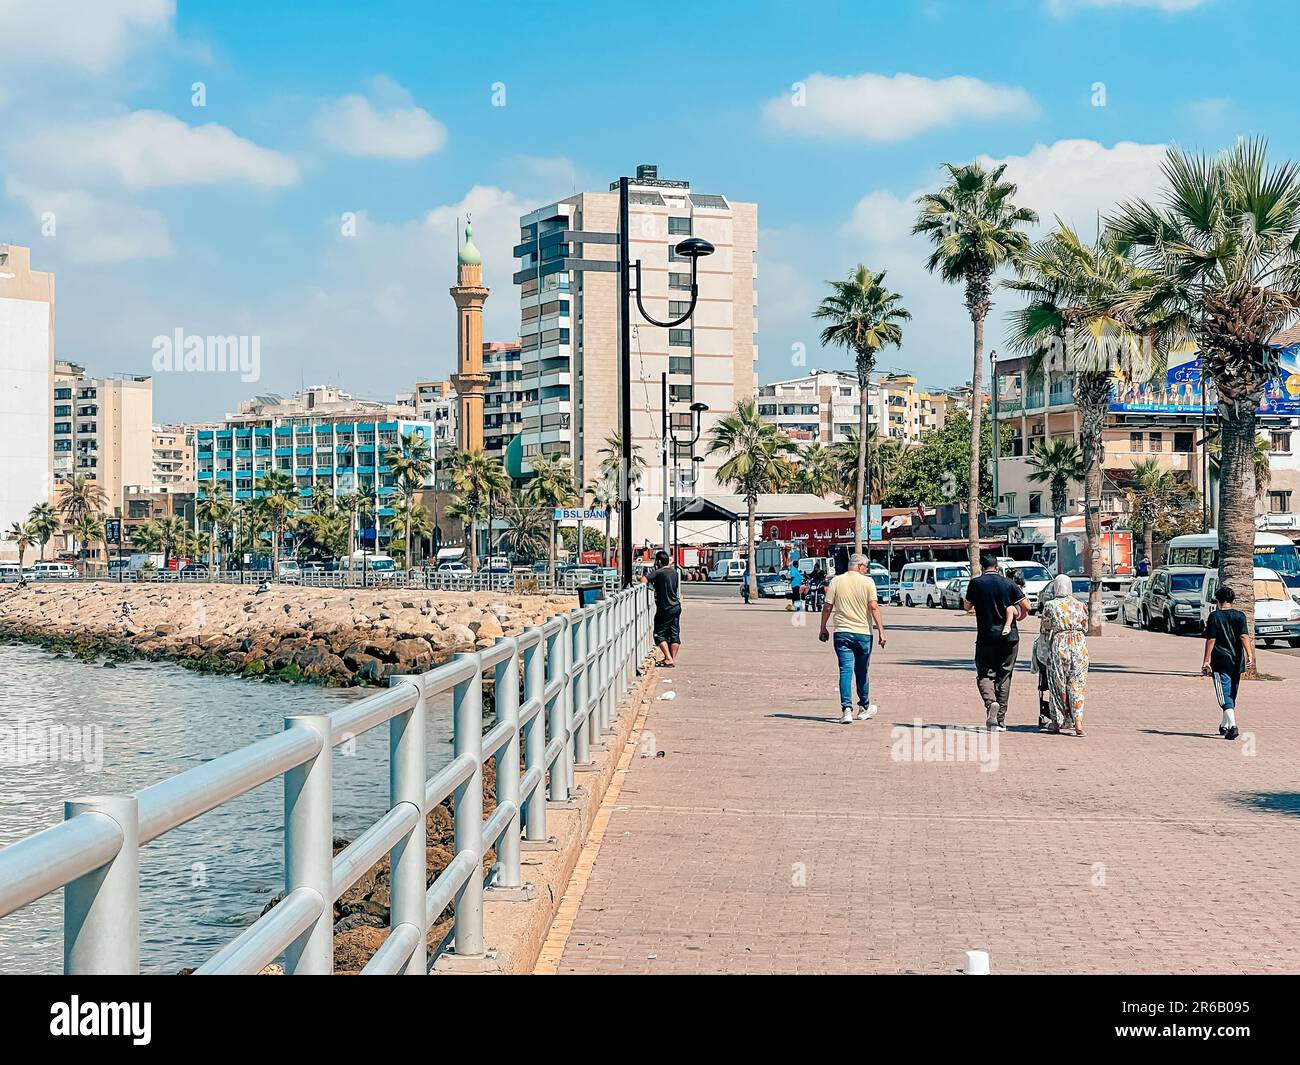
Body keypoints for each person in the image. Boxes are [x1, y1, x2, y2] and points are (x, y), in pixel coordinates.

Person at [818, 553, 887, 724]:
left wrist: (823, 627)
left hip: (842, 633)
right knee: (862, 671)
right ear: (859, 566)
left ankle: (846, 709)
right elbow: (874, 606)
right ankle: (864, 707)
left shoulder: (836, 581)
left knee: (845, 671)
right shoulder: (867, 582)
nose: (866, 569)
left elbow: (827, 607)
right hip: (863, 633)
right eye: (866, 567)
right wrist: (881, 632)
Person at [963, 551, 1028, 731]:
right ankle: (1000, 720)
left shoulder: (975, 583)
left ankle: (990, 702)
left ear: (982, 567)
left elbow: (966, 606)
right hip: (1010, 638)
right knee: (1005, 675)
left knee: (985, 674)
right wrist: (1017, 614)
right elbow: (1027, 606)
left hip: (985, 637)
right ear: (997, 567)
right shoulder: (1009, 583)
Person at [1039, 574, 1089, 736]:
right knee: (1077, 684)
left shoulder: (1050, 605)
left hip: (1060, 645)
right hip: (1079, 646)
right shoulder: (1080, 605)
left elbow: (1045, 628)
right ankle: (1078, 722)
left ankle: (1056, 721)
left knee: (1057, 683)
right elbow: (1085, 627)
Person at [1201, 585, 1253, 741]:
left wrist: (1206, 660)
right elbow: (1244, 636)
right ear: (1233, 600)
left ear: (1218, 600)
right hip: (1237, 660)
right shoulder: (1240, 616)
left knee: (1224, 694)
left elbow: (1211, 640)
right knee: (1231, 693)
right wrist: (1249, 655)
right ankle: (1225, 725)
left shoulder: (1214, 617)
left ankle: (1234, 725)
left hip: (1220, 660)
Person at [638, 549, 681, 667]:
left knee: (659, 633)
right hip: (676, 606)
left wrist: (640, 579)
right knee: (674, 634)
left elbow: (644, 580)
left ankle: (668, 658)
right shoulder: (675, 573)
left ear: (660, 562)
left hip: (665, 607)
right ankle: (672, 659)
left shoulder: (658, 573)